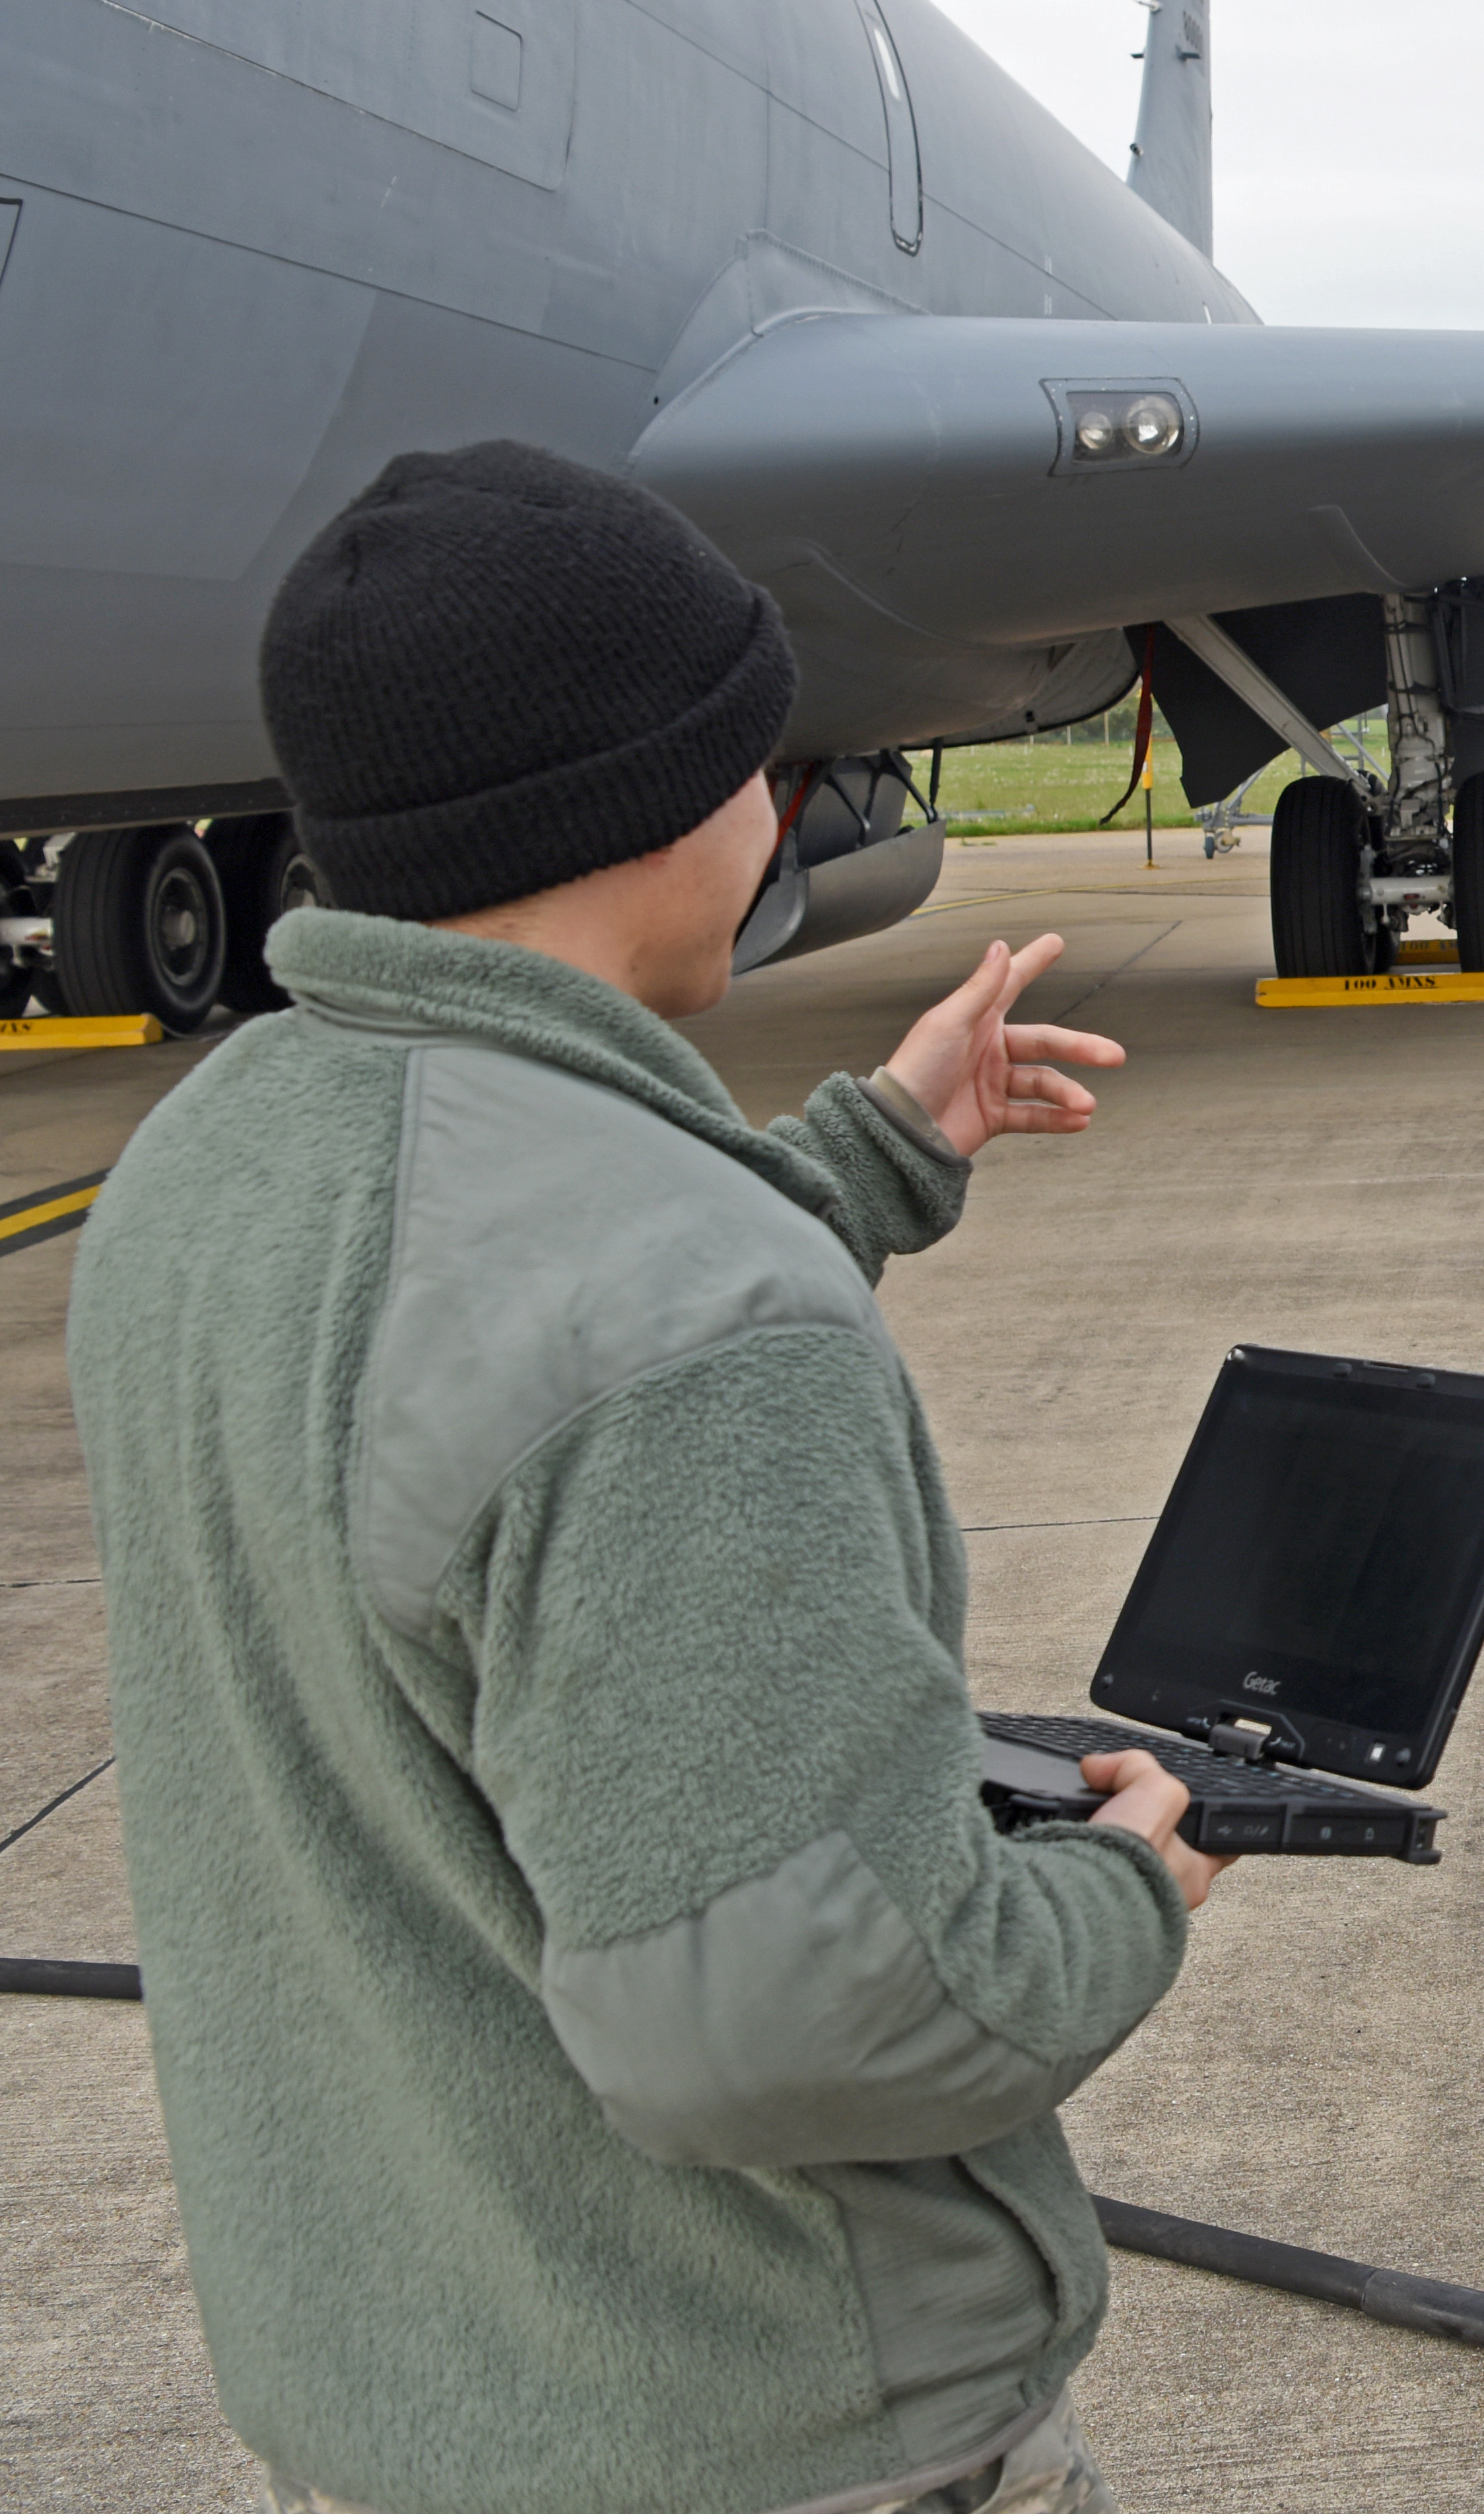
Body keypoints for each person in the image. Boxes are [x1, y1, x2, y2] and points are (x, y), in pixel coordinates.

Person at [68, 442, 1227, 2514]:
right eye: (758, 753)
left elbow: (468, 1377)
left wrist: (861, 1159)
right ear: (658, 800)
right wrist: (1125, 1895)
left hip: (399, 2401)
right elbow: (803, 2026)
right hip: (752, 2432)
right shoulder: (685, 1317)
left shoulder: (216, 1158)